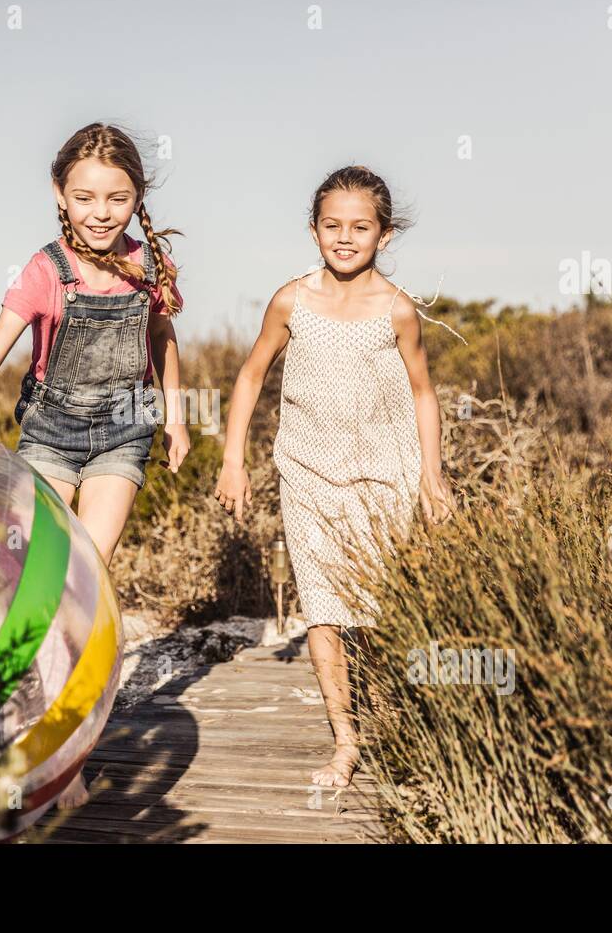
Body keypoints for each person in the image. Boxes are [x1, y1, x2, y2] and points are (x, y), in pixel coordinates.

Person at [0, 122, 192, 807]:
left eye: (117, 199)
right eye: (86, 197)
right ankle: (10, 736)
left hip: (124, 433)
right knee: (40, 591)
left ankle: (68, 758)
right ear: (60, 195)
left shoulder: (147, 265)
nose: (101, 212)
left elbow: (163, 337)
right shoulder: (43, 272)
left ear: (136, 199)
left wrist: (176, 414)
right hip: (50, 437)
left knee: (83, 588)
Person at [213, 165, 457, 788]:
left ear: (384, 233)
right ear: (314, 229)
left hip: (384, 475)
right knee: (322, 608)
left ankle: (391, 722)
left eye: (360, 227)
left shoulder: (398, 311)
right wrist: (234, 459)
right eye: (331, 225)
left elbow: (424, 393)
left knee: (376, 606)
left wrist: (433, 476)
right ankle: (345, 742)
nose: (344, 238)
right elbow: (249, 376)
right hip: (307, 474)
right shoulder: (291, 300)